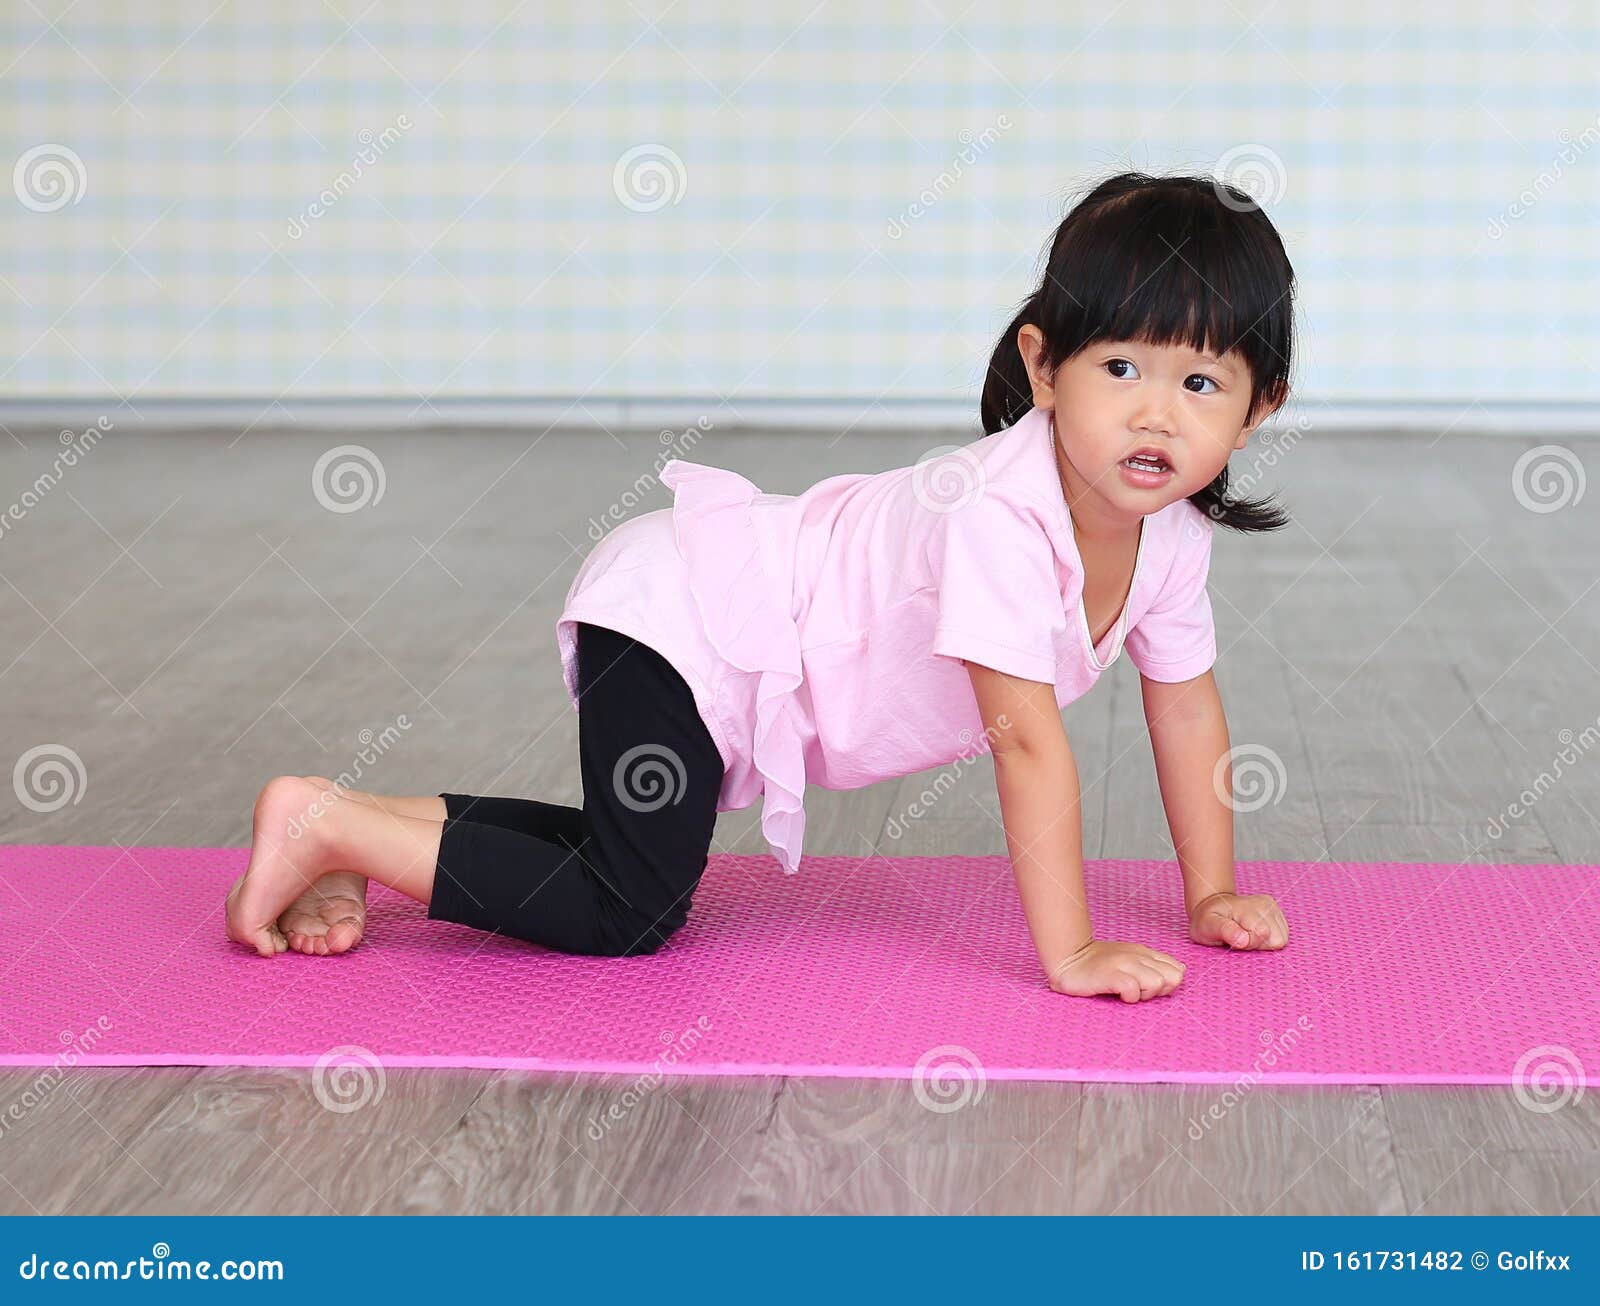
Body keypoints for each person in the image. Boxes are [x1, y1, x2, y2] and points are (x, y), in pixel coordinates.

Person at [225, 170, 1293, 1002]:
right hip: (687, 619)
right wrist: (1071, 950)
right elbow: (1025, 742)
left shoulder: (1174, 538)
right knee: (630, 909)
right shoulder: (999, 518)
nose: (1156, 415)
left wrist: (1207, 894)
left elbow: (1188, 706)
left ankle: (348, 821)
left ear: (1257, 409)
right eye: (1120, 370)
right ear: (1044, 363)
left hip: (714, 627)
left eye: (1199, 384)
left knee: (626, 848)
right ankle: (328, 825)